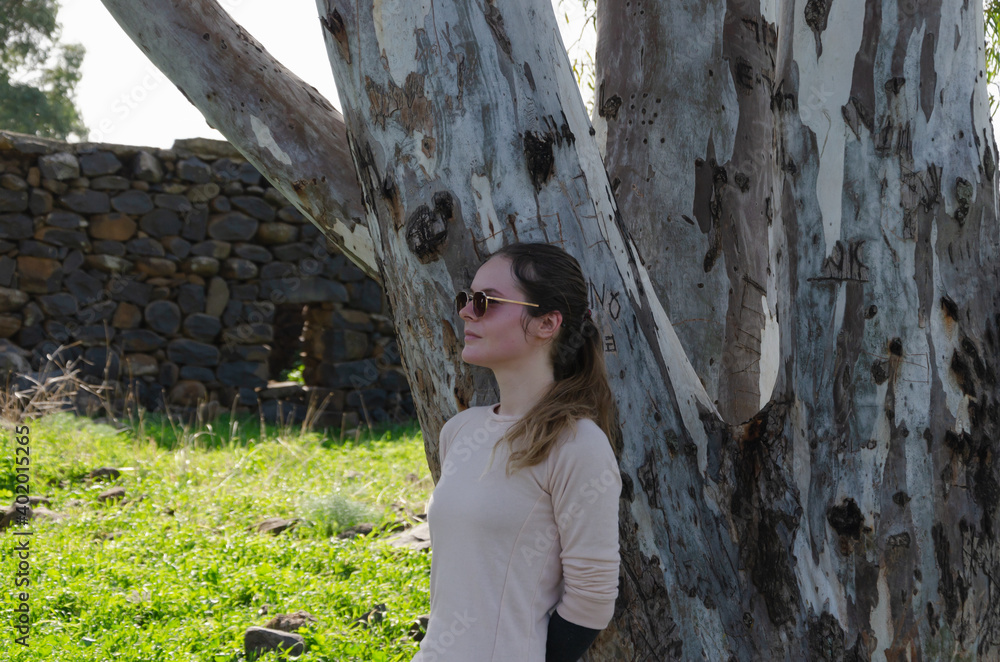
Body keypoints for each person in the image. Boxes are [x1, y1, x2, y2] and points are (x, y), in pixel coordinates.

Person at [413, 242, 621, 662]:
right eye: (466, 299)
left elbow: (592, 600)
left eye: (485, 301)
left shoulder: (577, 445)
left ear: (546, 323)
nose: (466, 311)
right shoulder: (459, 431)